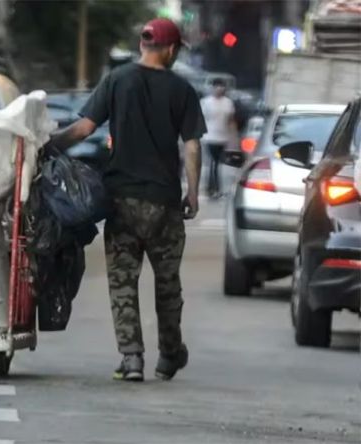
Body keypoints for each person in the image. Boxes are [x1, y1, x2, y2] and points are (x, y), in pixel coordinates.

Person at [46, 18, 206, 382]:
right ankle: (169, 355)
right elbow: (192, 145)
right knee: (168, 284)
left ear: (142, 46)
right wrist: (193, 193)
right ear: (171, 49)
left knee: (123, 281)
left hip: (122, 201)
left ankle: (132, 358)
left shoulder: (116, 80)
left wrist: (46, 146)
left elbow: (83, 129)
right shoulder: (182, 89)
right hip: (164, 202)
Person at [200, 78, 236, 199]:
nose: (219, 89)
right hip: (209, 137)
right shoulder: (206, 102)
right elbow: (200, 119)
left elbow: (231, 121)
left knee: (217, 164)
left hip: (223, 138)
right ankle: (212, 188)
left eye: (221, 86)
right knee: (213, 163)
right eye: (217, 86)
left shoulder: (228, 103)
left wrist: (233, 138)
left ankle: (214, 188)